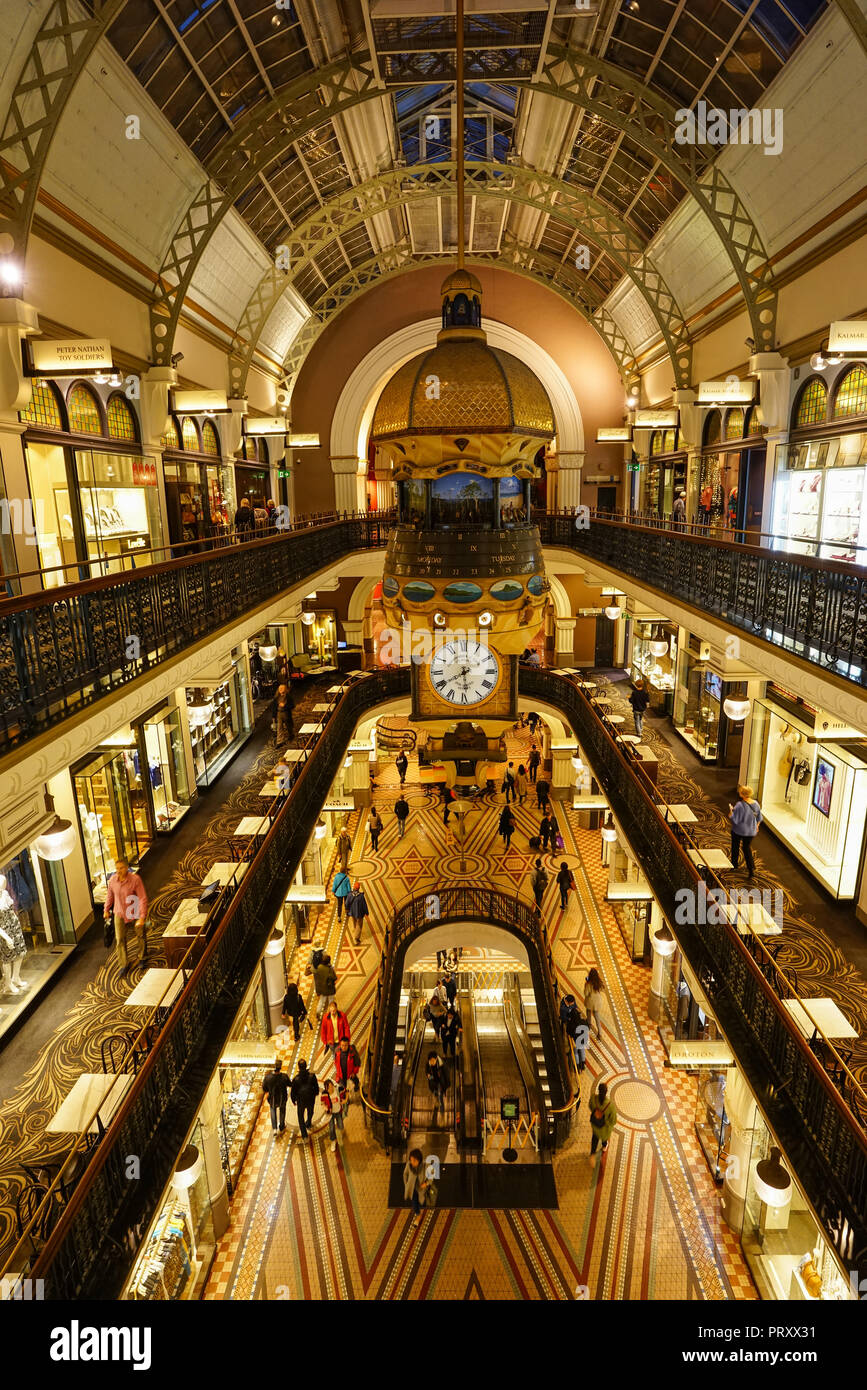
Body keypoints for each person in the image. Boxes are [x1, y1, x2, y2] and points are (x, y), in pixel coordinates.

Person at [104, 857, 149, 974]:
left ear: (127, 868)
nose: (119, 871)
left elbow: (142, 898)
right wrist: (106, 909)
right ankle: (124, 964)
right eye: (117, 868)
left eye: (122, 868)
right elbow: (110, 896)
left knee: (140, 935)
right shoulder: (113, 880)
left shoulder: (135, 879)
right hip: (119, 912)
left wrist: (142, 917)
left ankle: (142, 957)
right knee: (119, 939)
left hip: (134, 910)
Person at [729, 784, 762, 878]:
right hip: (751, 831)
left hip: (739, 830)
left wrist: (731, 813)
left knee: (735, 846)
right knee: (746, 849)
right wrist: (756, 826)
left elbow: (735, 819)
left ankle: (734, 865)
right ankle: (751, 869)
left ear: (742, 794)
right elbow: (759, 818)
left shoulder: (740, 805)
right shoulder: (756, 804)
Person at [290, 1059, 319, 1140]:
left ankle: (304, 1135)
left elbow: (293, 1092)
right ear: (306, 1066)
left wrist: (293, 1100)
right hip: (310, 1099)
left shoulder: (296, 1079)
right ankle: (309, 1122)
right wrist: (314, 1094)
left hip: (301, 1101)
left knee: (300, 1117)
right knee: (310, 1111)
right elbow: (316, 1088)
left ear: (298, 1067)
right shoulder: (312, 1076)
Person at [403, 1148, 431, 1228]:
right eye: (411, 1160)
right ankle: (419, 1215)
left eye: (414, 1161)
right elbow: (405, 1174)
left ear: (419, 1160)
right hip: (412, 1189)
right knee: (415, 1203)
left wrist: (426, 1183)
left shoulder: (425, 1166)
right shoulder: (409, 1165)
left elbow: (431, 1177)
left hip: (421, 1188)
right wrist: (406, 1184)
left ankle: (419, 1213)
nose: (412, 1162)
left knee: (420, 1200)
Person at [588, 1081, 617, 1155]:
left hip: (595, 1125)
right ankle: (604, 1145)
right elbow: (613, 1120)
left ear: (598, 1090)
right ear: (606, 1092)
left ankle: (592, 1153)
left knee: (595, 1138)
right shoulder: (610, 1105)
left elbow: (590, 1107)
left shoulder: (593, 1098)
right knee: (604, 1138)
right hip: (604, 1128)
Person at [560, 994, 587, 1072]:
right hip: (582, 1037)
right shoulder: (582, 1022)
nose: (573, 1004)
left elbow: (569, 1031)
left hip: (575, 1037)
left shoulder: (572, 1025)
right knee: (582, 1048)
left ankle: (577, 1067)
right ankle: (583, 1064)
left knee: (575, 1052)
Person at [262, 1058, 290, 1134]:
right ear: (280, 1067)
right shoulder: (284, 1076)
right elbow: (290, 1084)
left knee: (273, 1110)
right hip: (282, 1097)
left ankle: (274, 1128)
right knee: (282, 1110)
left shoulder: (268, 1077)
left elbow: (264, 1088)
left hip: (272, 1098)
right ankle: (281, 1126)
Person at [320, 1079, 346, 1151]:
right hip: (330, 1114)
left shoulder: (337, 1089)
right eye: (328, 1088)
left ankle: (340, 1134)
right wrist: (326, 1108)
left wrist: (345, 1100)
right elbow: (322, 1103)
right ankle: (333, 1141)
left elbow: (345, 1091)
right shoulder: (324, 1094)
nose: (330, 1089)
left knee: (340, 1125)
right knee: (331, 1129)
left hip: (338, 1112)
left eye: (331, 1086)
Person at [584, 967, 606, 1040]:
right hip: (597, 1001)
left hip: (590, 1001)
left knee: (588, 1012)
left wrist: (586, 984)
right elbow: (602, 989)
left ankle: (589, 1024)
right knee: (597, 1017)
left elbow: (586, 993)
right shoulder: (599, 982)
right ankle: (599, 1033)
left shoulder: (588, 983)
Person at [346, 880, 369, 946]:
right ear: (358, 888)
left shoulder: (350, 894)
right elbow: (364, 905)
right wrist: (366, 912)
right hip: (359, 913)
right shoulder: (361, 896)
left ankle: (355, 930)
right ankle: (356, 938)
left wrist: (347, 909)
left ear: (353, 887)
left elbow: (347, 903)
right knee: (359, 924)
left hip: (352, 911)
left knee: (354, 921)